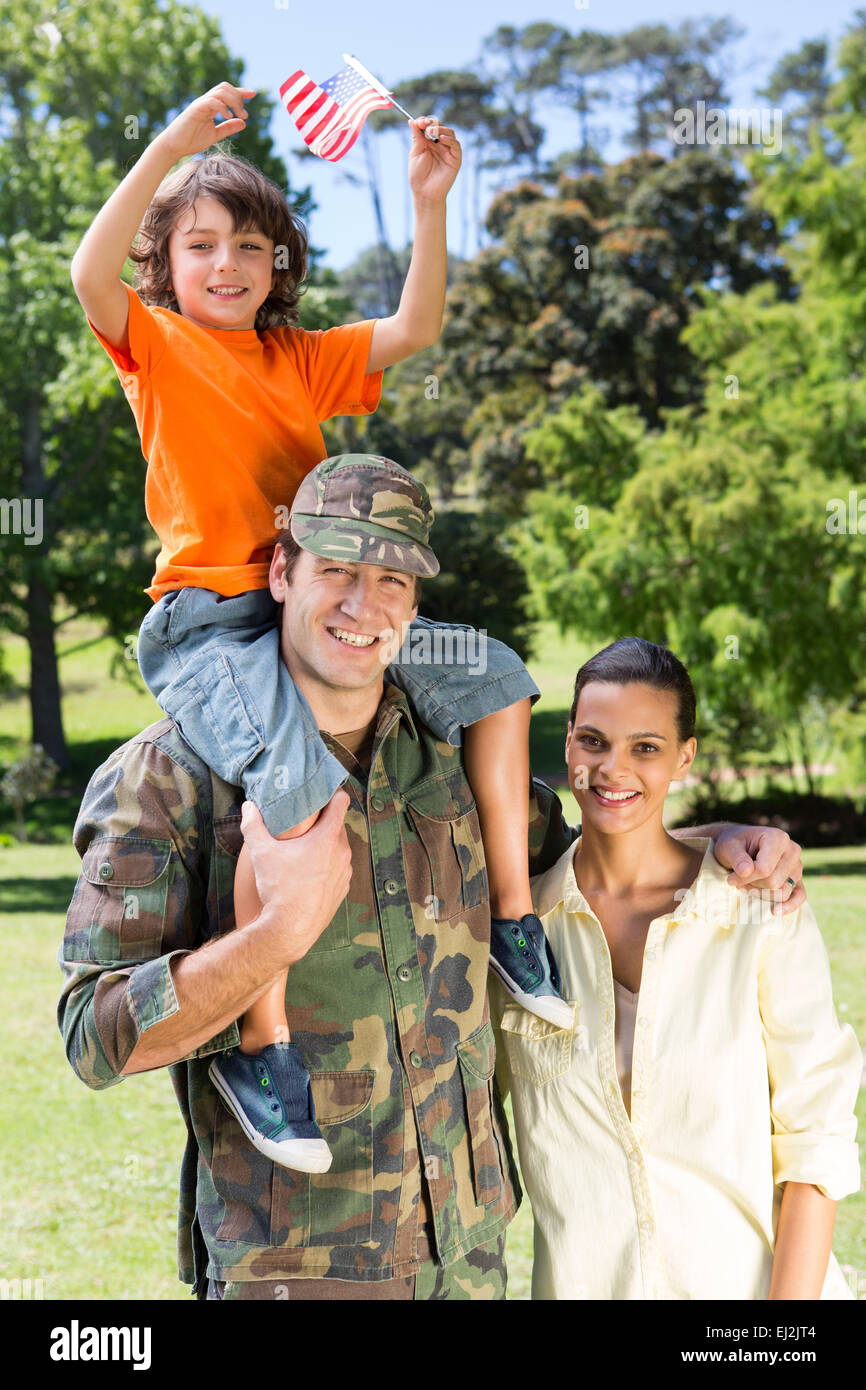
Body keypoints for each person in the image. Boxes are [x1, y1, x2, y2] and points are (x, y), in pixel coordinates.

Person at [57, 460, 805, 1300]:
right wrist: (273, 939)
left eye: (391, 581)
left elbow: (589, 867)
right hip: (298, 1270)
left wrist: (725, 842)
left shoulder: (456, 754)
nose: (361, 605)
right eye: (336, 570)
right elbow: (95, 1036)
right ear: (282, 572)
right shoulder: (169, 777)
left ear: (414, 604)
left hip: (470, 1257)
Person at [68, 81, 563, 1175]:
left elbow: (415, 327)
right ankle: (265, 1047)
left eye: (250, 246)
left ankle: (515, 924)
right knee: (297, 787)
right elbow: (87, 274)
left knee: (495, 674)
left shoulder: (297, 358)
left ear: (279, 263)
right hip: (213, 622)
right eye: (200, 245)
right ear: (167, 262)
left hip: (326, 606)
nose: (227, 264)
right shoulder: (154, 342)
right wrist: (173, 144)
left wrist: (428, 201)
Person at [491, 637, 861, 1300]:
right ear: (568, 744)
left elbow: (815, 1142)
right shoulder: (520, 940)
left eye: (646, 747)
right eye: (594, 741)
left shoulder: (760, 910)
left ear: (684, 757)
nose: (612, 769)